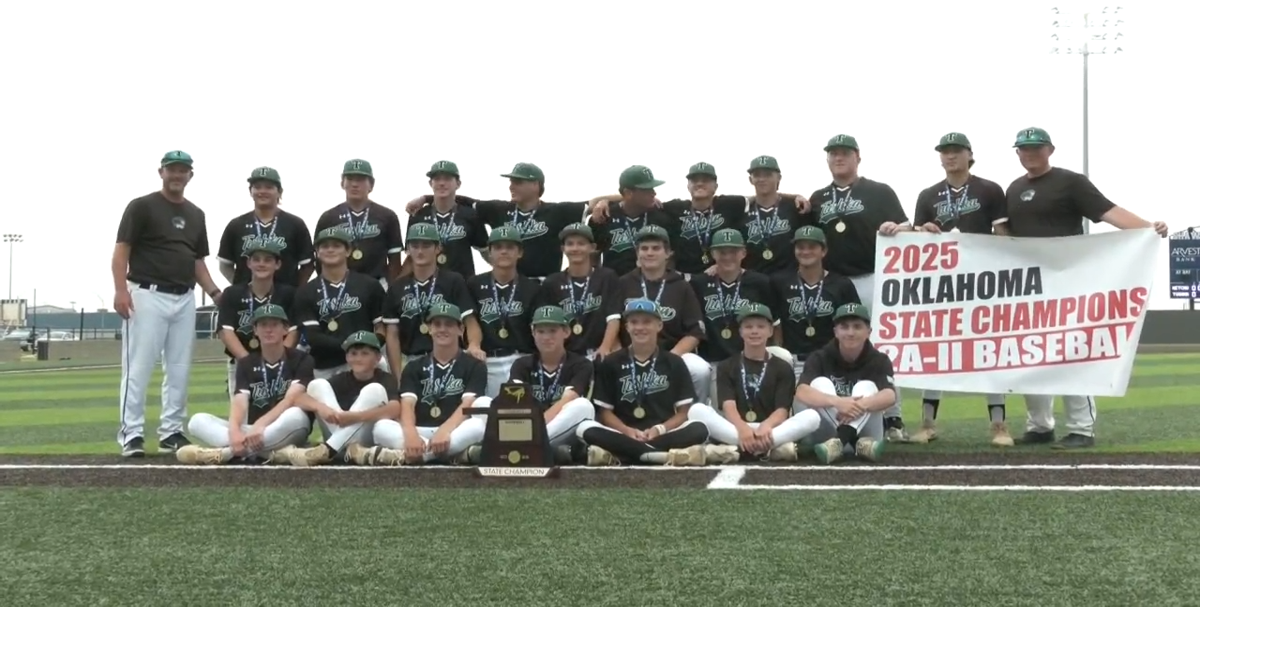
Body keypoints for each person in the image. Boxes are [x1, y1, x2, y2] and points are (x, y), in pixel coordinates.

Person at [1004, 127, 1170, 449]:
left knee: (1070, 353)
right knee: (1029, 353)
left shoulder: (1070, 182)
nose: (1029, 154)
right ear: (1017, 153)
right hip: (1029, 288)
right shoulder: (1013, 189)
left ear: (1050, 149)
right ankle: (1040, 425)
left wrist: (1148, 228)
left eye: (1036, 148)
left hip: (1068, 283)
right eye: (1023, 149)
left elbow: (1108, 212)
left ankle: (1081, 428)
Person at [896, 132, 1014, 447]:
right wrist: (923, 231)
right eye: (945, 152)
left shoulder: (989, 189)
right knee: (936, 349)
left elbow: (1002, 233)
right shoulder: (928, 194)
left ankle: (999, 426)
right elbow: (918, 241)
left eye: (956, 151)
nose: (950, 157)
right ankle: (928, 423)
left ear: (969, 154)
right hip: (943, 286)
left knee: (990, 350)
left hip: (983, 283)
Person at [114, 150, 222, 458]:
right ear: (161, 172)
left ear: (191, 175)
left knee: (179, 369)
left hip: (184, 297)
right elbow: (122, 251)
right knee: (138, 368)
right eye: (172, 170)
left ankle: (171, 431)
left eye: (183, 170)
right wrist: (120, 289)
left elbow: (196, 260)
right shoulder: (142, 206)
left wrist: (214, 292)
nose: (177, 175)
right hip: (147, 293)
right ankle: (131, 434)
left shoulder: (196, 214)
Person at [806, 134, 910, 437]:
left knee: (879, 346)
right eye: (833, 154)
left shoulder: (878, 191)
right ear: (827, 159)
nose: (839, 158)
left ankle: (892, 417)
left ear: (857, 158)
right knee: (835, 346)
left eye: (845, 153)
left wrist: (898, 227)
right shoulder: (818, 197)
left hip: (871, 277)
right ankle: (834, 411)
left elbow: (906, 225)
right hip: (833, 281)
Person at [576, 299, 719, 467]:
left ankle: (626, 455)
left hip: (663, 433)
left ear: (659, 325)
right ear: (627, 327)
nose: (640, 327)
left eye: (647, 322)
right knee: (585, 428)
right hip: (622, 433)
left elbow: (683, 412)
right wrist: (627, 431)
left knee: (700, 427)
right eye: (634, 322)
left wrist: (660, 429)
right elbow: (604, 413)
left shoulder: (674, 362)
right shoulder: (611, 362)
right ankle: (661, 456)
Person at [177, 304, 324, 466]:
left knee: (295, 414)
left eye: (274, 324)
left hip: (287, 427)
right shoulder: (246, 362)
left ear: (285, 329)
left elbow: (291, 399)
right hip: (253, 430)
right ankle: (277, 454)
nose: (269, 330)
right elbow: (239, 401)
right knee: (197, 421)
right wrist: (234, 431)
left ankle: (225, 453)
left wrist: (261, 424)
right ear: (255, 330)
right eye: (263, 325)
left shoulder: (302, 359)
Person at [407, 163, 603, 283]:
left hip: (544, 284)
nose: (511, 185)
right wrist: (426, 198)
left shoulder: (557, 211)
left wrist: (604, 201)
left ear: (536, 185)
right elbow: (460, 199)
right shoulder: (499, 209)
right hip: (508, 283)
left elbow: (597, 203)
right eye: (511, 181)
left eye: (518, 182)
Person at [350, 303, 492, 466]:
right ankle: (453, 455)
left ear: (461, 329)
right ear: (429, 329)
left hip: (454, 430)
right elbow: (408, 405)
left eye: (449, 324)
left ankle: (410, 456)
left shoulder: (474, 365)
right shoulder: (414, 366)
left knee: (477, 426)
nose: (442, 329)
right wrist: (411, 435)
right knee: (381, 427)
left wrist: (444, 431)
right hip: (421, 430)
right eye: (437, 324)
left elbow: (467, 405)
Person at [688, 303, 818, 462]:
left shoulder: (782, 367)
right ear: (740, 331)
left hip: (769, 429)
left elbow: (782, 411)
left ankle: (737, 448)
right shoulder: (726, 366)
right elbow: (728, 407)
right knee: (696, 410)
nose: (754, 331)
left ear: (770, 331)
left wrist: (766, 426)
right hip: (736, 428)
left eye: (761, 326)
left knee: (812, 417)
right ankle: (769, 448)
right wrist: (742, 429)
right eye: (748, 327)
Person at [597, 226, 713, 404]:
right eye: (644, 248)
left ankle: (696, 417)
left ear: (667, 254)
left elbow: (695, 331)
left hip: (672, 352)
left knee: (700, 369)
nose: (649, 253)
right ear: (637, 253)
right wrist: (619, 352)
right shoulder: (622, 283)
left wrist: (671, 358)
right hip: (630, 353)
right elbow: (614, 322)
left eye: (656, 248)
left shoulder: (681, 285)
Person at [794, 303, 897, 465]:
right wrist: (838, 402)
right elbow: (801, 391)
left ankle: (839, 442)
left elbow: (890, 396)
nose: (850, 332)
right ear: (835, 331)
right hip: (829, 438)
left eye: (857, 327)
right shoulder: (820, 357)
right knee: (820, 383)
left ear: (868, 332)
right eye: (844, 327)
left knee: (866, 386)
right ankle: (848, 442)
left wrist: (860, 404)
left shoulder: (879, 359)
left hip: (867, 435)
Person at [689, 229, 776, 403]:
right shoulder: (699, 283)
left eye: (733, 252)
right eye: (722, 252)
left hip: (751, 360)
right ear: (713, 253)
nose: (727, 257)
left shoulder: (760, 282)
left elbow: (774, 323)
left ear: (743, 253)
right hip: (714, 361)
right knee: (720, 413)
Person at [294, 227, 387, 379]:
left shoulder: (369, 285)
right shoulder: (305, 291)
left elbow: (381, 329)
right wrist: (353, 346)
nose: (330, 250)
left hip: (365, 365)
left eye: (337, 245)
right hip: (324, 366)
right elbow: (312, 337)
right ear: (317, 252)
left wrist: (364, 351)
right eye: (325, 246)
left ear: (348, 251)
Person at [383, 223, 475, 375]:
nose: (420, 251)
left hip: (451, 359)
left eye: (426, 245)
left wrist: (474, 345)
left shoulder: (454, 280)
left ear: (438, 249)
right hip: (412, 361)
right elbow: (392, 335)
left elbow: (469, 320)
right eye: (415, 245)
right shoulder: (397, 287)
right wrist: (398, 376)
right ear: (407, 250)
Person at [506, 306, 597, 461]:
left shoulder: (581, 364)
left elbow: (568, 399)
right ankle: (536, 448)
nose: (546, 337)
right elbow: (515, 402)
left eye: (552, 331)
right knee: (482, 403)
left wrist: (538, 425)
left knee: (583, 406)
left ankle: (522, 447)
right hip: (525, 427)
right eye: (541, 331)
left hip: (564, 429)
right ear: (533, 333)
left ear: (566, 332)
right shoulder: (522, 364)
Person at [769, 226, 860, 377]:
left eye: (812, 247)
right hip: (794, 360)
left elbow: (855, 324)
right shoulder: (780, 282)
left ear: (823, 251)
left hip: (831, 361)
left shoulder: (841, 284)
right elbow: (774, 323)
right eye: (800, 247)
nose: (805, 252)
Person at [296, 331, 401, 462]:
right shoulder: (341, 379)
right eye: (353, 353)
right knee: (317, 384)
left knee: (374, 389)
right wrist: (321, 407)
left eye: (365, 353)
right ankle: (343, 446)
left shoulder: (385, 378)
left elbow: (395, 409)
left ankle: (328, 449)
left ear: (378, 358)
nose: (358, 358)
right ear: (346, 358)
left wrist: (355, 417)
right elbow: (298, 398)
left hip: (366, 438)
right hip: (336, 431)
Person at [216, 240, 298, 398]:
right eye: (256, 259)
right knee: (243, 417)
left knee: (281, 415)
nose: (262, 264)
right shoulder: (232, 293)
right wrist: (248, 362)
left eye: (268, 260)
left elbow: (294, 331)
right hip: (241, 362)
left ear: (278, 264)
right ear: (248, 263)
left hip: (281, 364)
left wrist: (277, 359)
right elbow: (225, 331)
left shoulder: (288, 294)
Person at [466, 226, 541, 397]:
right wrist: (473, 344)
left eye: (510, 247)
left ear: (520, 252)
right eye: (498, 247)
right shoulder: (474, 285)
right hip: (487, 360)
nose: (504, 251)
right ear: (490, 252)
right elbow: (470, 321)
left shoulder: (533, 287)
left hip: (521, 358)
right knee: (486, 412)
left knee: (522, 414)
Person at [215, 166, 314, 288]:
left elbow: (308, 265)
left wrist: (296, 291)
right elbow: (225, 264)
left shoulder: (295, 224)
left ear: (279, 191)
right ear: (250, 191)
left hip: (285, 300)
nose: (262, 191)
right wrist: (240, 287)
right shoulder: (236, 225)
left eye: (269, 187)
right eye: (257, 187)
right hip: (246, 300)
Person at [534, 223, 620, 359]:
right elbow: (548, 324)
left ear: (592, 247)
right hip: (568, 356)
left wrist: (605, 347)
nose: (575, 248)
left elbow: (613, 317)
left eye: (581, 243)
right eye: (570, 244)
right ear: (563, 249)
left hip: (599, 352)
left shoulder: (606, 277)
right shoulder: (552, 282)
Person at [314, 159, 403, 289]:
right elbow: (319, 258)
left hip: (378, 285)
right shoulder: (328, 217)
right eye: (350, 179)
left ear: (371, 185)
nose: (355, 184)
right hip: (339, 286)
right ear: (342, 183)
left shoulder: (387, 216)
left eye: (360, 180)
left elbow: (395, 260)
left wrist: (393, 289)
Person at [589, 166, 682, 277]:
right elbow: (592, 257)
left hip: (652, 285)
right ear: (628, 193)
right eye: (647, 189)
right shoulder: (604, 216)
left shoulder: (661, 217)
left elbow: (670, 257)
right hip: (613, 285)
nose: (654, 193)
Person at [402, 161, 488, 280]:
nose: (442, 183)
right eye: (437, 179)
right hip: (427, 288)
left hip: (463, 286)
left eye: (447, 179)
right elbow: (411, 258)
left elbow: (486, 252)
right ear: (430, 183)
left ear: (458, 184)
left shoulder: (470, 215)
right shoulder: (418, 215)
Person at [743, 155, 811, 276]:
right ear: (750, 179)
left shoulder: (794, 206)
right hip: (754, 279)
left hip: (789, 278)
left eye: (768, 175)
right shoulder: (743, 208)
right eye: (757, 175)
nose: (762, 179)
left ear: (779, 178)